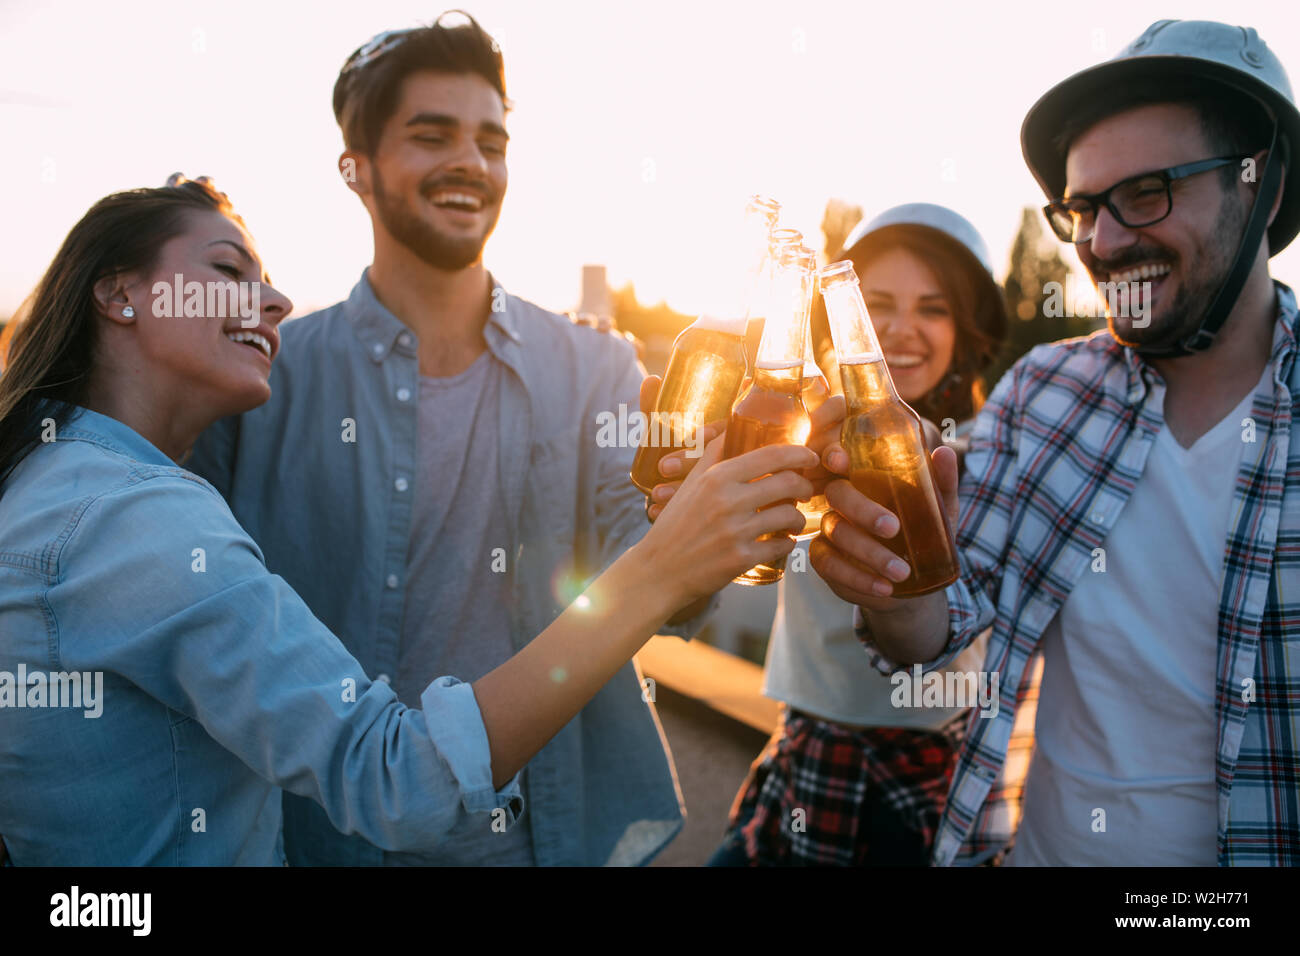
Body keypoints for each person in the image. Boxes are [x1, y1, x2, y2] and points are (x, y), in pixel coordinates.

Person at [0, 177, 816, 866]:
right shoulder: (133, 516)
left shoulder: (49, 479)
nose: (277, 301)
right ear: (117, 292)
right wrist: (663, 567)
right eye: (229, 269)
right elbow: (397, 776)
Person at [185, 12, 729, 866]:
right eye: (432, 135)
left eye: (491, 140)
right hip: (314, 841)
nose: (471, 163)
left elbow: (661, 573)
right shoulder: (260, 382)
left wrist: (705, 516)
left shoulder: (594, 368)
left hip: (537, 838)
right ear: (355, 169)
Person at [813, 18, 1300, 865]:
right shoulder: (1046, 390)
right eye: (1082, 209)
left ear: (1263, 182)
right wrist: (896, 578)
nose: (1103, 244)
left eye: (1147, 192)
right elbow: (939, 629)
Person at [705, 204, 1012, 866]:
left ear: (966, 330)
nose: (901, 331)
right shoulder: (803, 427)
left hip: (932, 772)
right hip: (807, 753)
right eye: (875, 307)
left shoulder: (991, 454)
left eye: (932, 308)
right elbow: (716, 566)